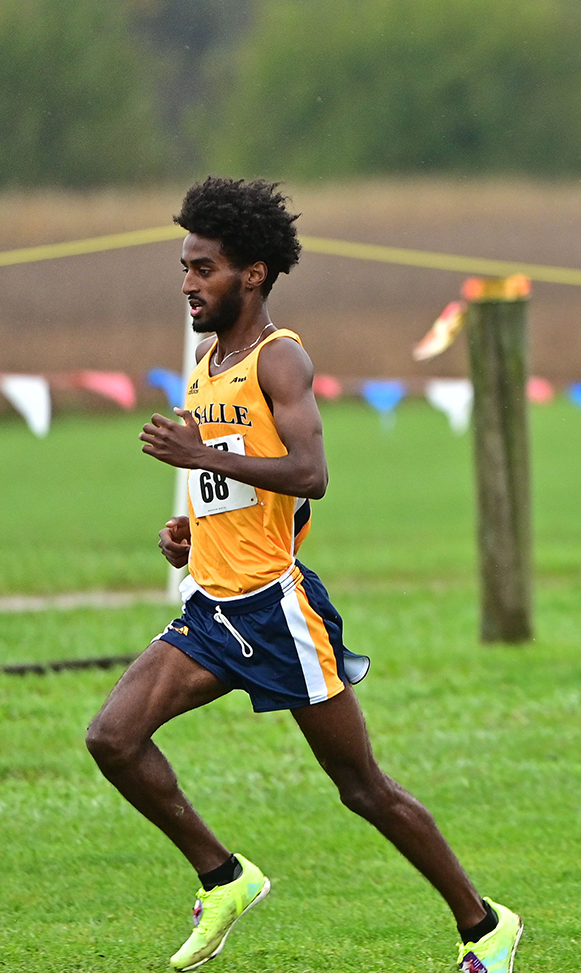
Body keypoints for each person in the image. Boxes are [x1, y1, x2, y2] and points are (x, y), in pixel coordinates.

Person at [86, 177, 521, 972]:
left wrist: (200, 457)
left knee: (363, 790)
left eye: (204, 268)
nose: (188, 283)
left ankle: (484, 925)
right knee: (113, 739)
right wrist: (192, 526)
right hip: (214, 606)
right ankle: (225, 878)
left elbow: (311, 472)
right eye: (184, 267)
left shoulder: (280, 358)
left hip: (277, 612)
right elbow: (235, 483)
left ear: (252, 274)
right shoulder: (206, 362)